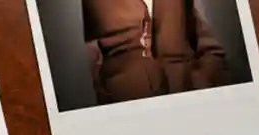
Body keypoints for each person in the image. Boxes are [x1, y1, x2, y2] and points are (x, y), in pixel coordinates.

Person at [82, 0, 231, 105]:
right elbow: (85, 56)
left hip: (189, 107)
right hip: (130, 113)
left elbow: (210, 49)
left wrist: (200, 85)